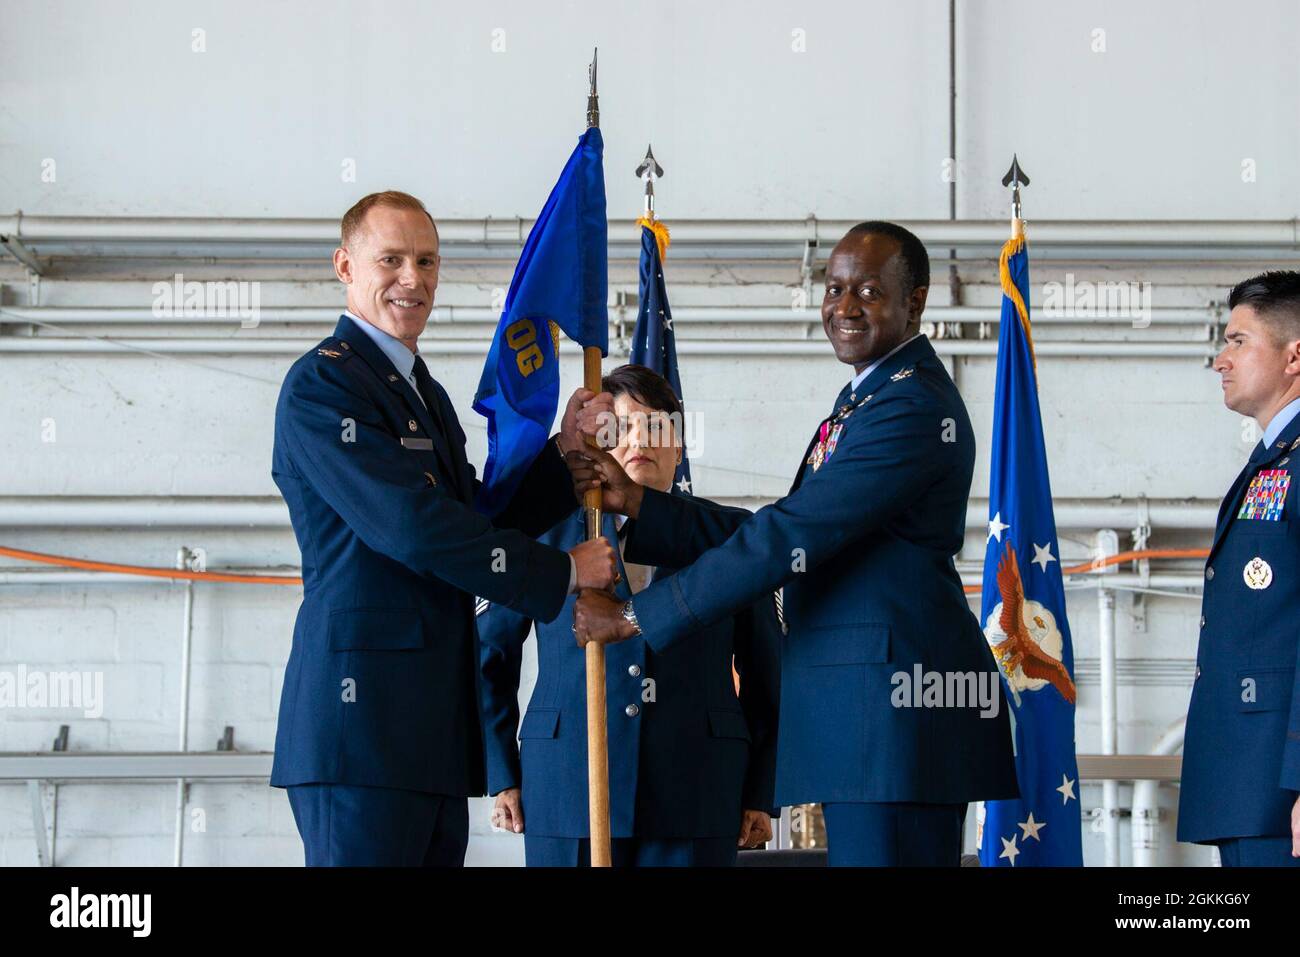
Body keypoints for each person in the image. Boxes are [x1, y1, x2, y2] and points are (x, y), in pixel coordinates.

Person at [570, 222, 1018, 866]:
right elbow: (785, 532)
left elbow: (789, 538)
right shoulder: (865, 400)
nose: (845, 307)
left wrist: (636, 616)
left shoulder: (912, 407)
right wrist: (637, 502)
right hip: (870, 726)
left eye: (868, 290)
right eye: (834, 288)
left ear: (915, 302)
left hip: (896, 722)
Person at [270, 190, 616, 866]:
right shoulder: (324, 386)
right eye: (390, 259)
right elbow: (412, 528)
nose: (413, 279)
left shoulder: (417, 389)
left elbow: (470, 520)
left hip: (425, 733)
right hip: (362, 729)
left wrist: (564, 455)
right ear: (345, 265)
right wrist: (563, 571)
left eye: (427, 261)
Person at [478, 364, 781, 866]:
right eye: (619, 427)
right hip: (569, 785)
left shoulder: (731, 539)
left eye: (657, 426)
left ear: (679, 447)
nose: (640, 439)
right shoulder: (543, 536)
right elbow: (490, 654)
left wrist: (758, 790)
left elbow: (767, 672)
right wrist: (502, 773)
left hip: (697, 791)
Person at [1178, 270, 1300, 865]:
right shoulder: (1272, 459)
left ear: (1294, 355)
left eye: (1238, 342)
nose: (1221, 361)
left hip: (1282, 786)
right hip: (1249, 783)